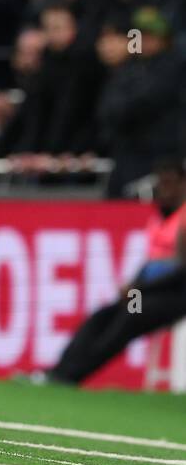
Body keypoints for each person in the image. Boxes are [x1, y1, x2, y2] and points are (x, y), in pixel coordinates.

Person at [41, 157, 186, 385]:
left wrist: (139, 288)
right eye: (161, 184)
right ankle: (58, 370)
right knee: (102, 316)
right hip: (149, 291)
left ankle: (72, 375)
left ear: (182, 184)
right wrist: (133, 287)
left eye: (169, 184)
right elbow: (151, 263)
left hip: (176, 295)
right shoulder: (159, 219)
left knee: (129, 318)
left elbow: (181, 270)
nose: (163, 190)